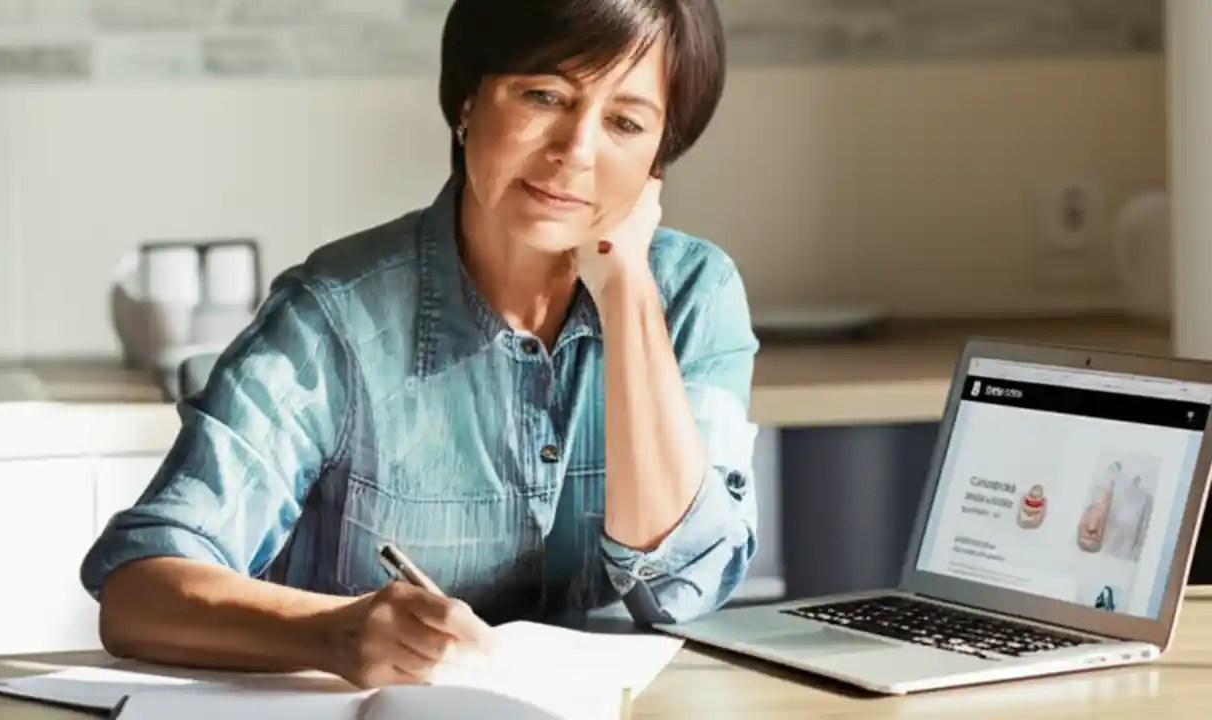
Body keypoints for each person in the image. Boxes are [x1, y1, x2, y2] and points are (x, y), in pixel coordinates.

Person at [80, 0, 760, 690]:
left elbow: (686, 586)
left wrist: (626, 287)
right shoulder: (334, 314)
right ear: (468, 99)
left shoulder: (693, 295)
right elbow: (140, 593)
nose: (576, 151)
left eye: (625, 122)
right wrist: (334, 633)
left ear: (658, 157)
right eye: (543, 96)